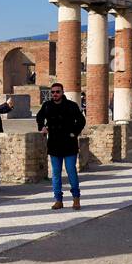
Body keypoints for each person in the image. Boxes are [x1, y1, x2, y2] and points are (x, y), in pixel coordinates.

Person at [36, 82, 86, 210]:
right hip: (54, 143)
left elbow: (81, 120)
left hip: (69, 144)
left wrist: (74, 133)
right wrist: (42, 127)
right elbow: (39, 116)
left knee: (71, 171)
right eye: (53, 92)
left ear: (62, 92)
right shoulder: (47, 106)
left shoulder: (71, 105)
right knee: (56, 173)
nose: (55, 94)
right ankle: (58, 200)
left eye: (57, 92)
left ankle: (76, 199)